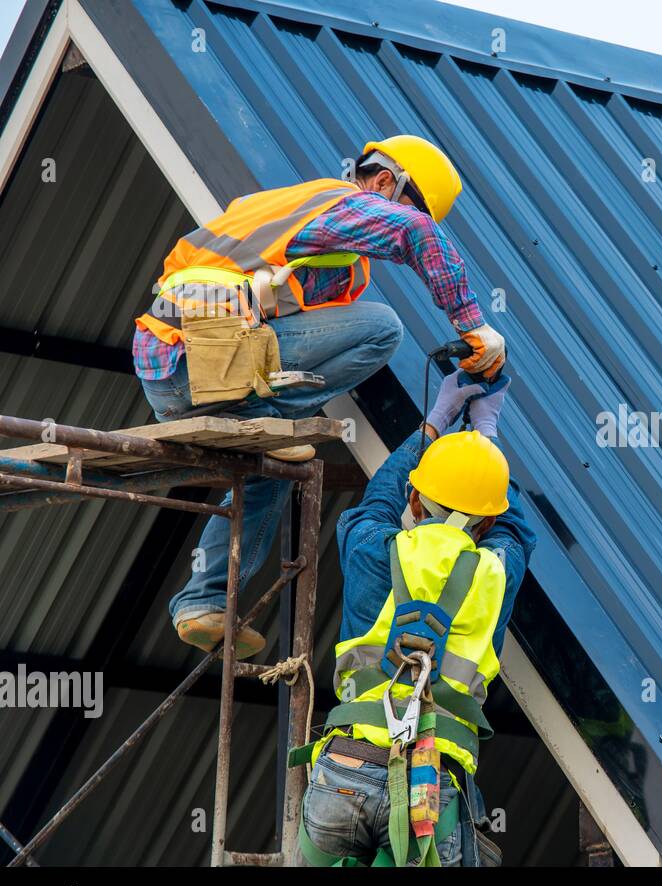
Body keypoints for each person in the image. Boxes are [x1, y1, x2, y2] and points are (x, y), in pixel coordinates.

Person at [132, 135, 507, 659]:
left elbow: (291, 334)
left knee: (269, 470)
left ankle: (205, 601)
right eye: (407, 202)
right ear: (382, 182)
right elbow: (413, 231)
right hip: (193, 355)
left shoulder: (323, 253)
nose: (407, 217)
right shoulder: (331, 201)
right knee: (382, 327)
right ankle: (267, 419)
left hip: (179, 378)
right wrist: (474, 326)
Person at [295, 370, 535, 866]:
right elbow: (513, 529)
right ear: (486, 522)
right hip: (429, 791)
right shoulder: (495, 573)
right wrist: (485, 437)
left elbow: (378, 499)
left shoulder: (370, 550)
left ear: (414, 500)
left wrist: (436, 422)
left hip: (344, 770)